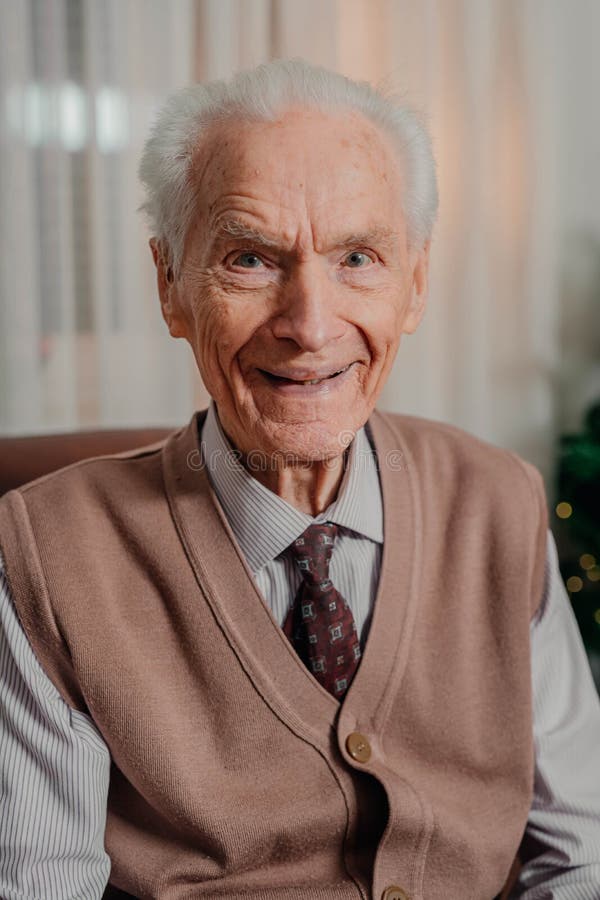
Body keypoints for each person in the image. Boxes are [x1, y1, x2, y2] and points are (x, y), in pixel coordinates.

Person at [0, 59, 599, 900]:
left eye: (358, 256)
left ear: (415, 284)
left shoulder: (499, 502)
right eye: (250, 259)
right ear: (171, 286)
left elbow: (579, 857)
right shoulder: (44, 557)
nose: (311, 325)